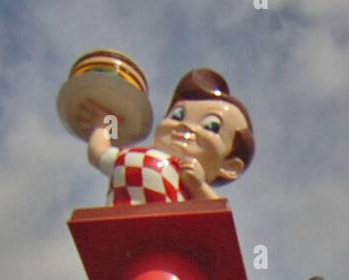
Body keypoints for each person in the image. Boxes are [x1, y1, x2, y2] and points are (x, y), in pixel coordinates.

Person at [88, 68, 254, 205]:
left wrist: (198, 186)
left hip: (169, 235)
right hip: (118, 229)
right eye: (177, 116)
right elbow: (99, 152)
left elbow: (220, 214)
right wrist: (104, 124)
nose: (185, 125)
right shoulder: (130, 157)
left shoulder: (188, 182)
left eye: (211, 126)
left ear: (229, 166)